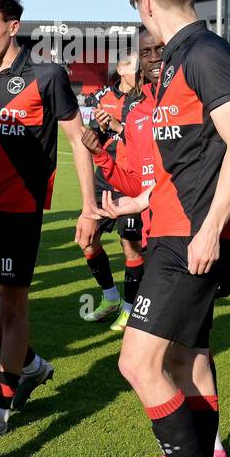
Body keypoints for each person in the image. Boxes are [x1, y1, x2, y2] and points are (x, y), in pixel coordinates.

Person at [105, 0, 230, 457]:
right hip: (167, 228)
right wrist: (132, 201)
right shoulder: (173, 65)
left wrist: (211, 229)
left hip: (190, 241)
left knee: (138, 365)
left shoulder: (204, 54)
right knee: (186, 361)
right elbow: (191, 162)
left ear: (146, 4)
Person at [84, 25, 230, 457]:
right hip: (163, 236)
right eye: (145, 53)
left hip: (191, 239)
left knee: (170, 358)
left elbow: (224, 163)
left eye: (157, 50)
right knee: (179, 355)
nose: (153, 59)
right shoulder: (138, 110)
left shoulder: (187, 94)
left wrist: (222, 236)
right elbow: (141, 180)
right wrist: (106, 159)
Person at [0, 0, 98, 434]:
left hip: (21, 209)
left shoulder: (46, 75)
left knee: (12, 305)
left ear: (13, 27)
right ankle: (32, 366)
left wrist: (90, 208)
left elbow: (79, 141)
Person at [81, 52, 145, 329]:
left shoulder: (146, 98)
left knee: (130, 245)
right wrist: (101, 130)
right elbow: (95, 137)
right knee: (87, 240)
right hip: (105, 177)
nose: (139, 71)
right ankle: (111, 298)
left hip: (130, 178)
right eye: (134, 66)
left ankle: (130, 309)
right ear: (120, 69)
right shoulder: (102, 97)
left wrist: (120, 128)